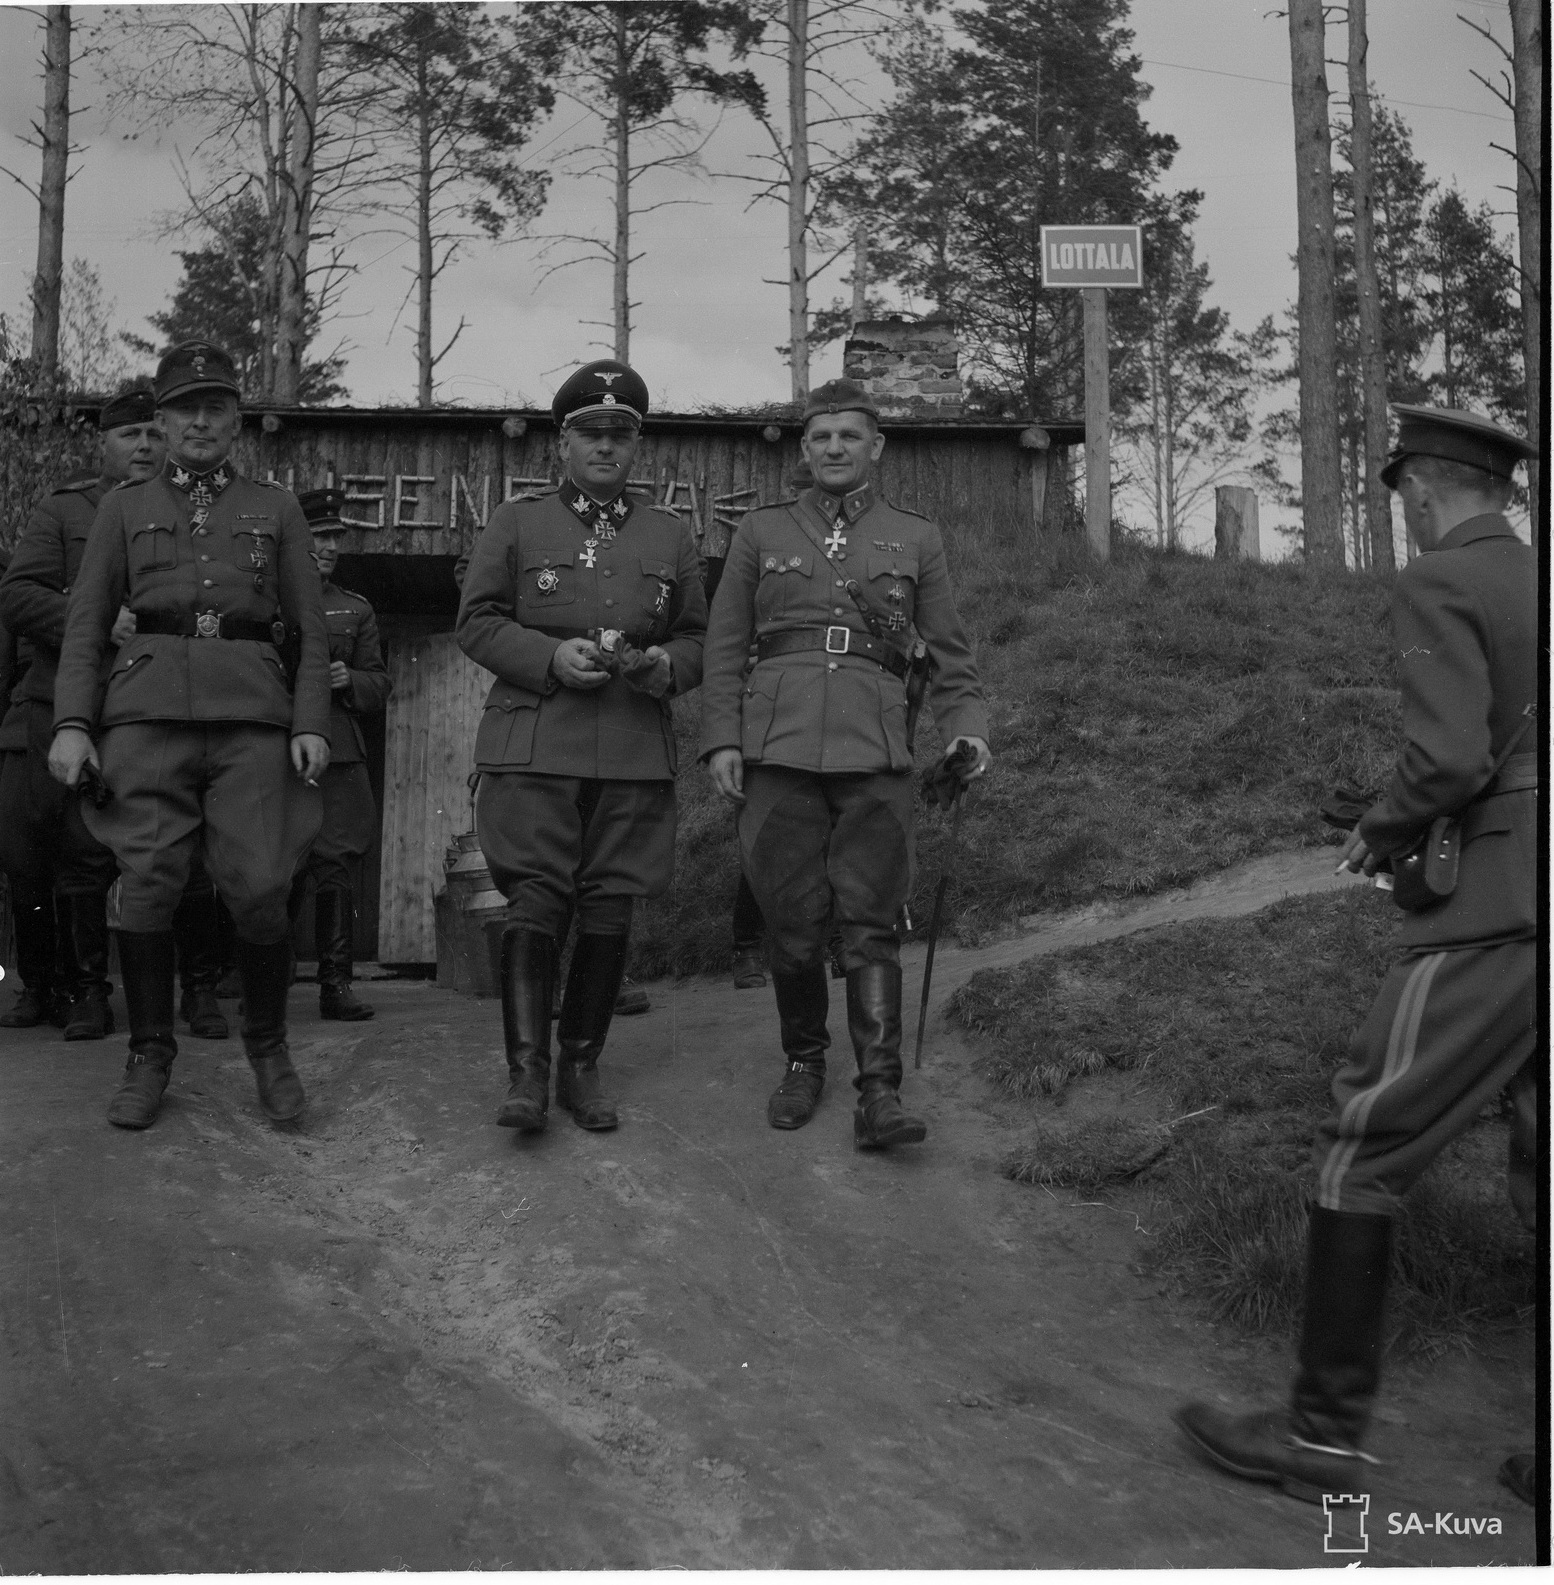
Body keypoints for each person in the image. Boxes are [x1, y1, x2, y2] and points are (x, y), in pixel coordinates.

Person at [1174, 405, 1539, 1506]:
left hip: (1506, 903)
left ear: (1421, 490)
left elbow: (1449, 758)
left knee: (1364, 1142)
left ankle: (1322, 1435)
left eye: (1405, 499)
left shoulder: (1440, 580)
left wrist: (1377, 829)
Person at [48, 339, 332, 1130]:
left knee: (262, 888)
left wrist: (311, 720)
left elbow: (310, 629)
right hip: (145, 718)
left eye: (215, 408)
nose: (199, 422)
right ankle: (149, 1054)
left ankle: (269, 1048)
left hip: (252, 720)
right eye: (184, 409)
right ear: (162, 422)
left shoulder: (274, 509)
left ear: (237, 421)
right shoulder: (122, 508)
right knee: (146, 885)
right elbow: (84, 627)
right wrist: (74, 722)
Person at [699, 378, 990, 1145]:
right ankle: (804, 1061)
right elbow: (726, 647)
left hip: (874, 744)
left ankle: (880, 1091)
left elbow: (952, 654)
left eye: (849, 437)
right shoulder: (760, 532)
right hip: (778, 748)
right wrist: (723, 738)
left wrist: (967, 728)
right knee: (790, 923)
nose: (834, 448)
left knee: (870, 921)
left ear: (876, 448)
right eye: (821, 436)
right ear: (804, 448)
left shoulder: (915, 536)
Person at [456, 359, 706, 1134]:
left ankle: (581, 1066)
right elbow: (477, 622)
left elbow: (700, 636)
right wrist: (549, 657)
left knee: (608, 907)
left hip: (631, 747)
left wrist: (669, 666)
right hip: (536, 745)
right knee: (535, 900)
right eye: (590, 432)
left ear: (638, 446)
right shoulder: (518, 523)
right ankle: (526, 1074)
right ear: (560, 443)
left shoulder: (670, 533)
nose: (606, 445)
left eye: (621, 433)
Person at [0, 388, 163, 1039]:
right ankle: (41, 984)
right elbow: (18, 593)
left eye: (154, 433)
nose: (145, 446)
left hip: (131, 714)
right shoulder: (65, 510)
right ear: (105, 442)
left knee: (91, 857)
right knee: (27, 858)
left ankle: (90, 991)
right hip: (49, 710)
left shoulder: (181, 519)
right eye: (131, 435)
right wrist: (91, 617)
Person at [287, 488, 391, 1020]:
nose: (328, 547)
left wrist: (352, 679)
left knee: (335, 866)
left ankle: (335, 985)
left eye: (334, 538)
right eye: (318, 536)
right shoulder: (268, 599)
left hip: (339, 748)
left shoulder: (355, 608)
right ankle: (253, 980)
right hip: (275, 743)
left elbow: (380, 682)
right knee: (269, 864)